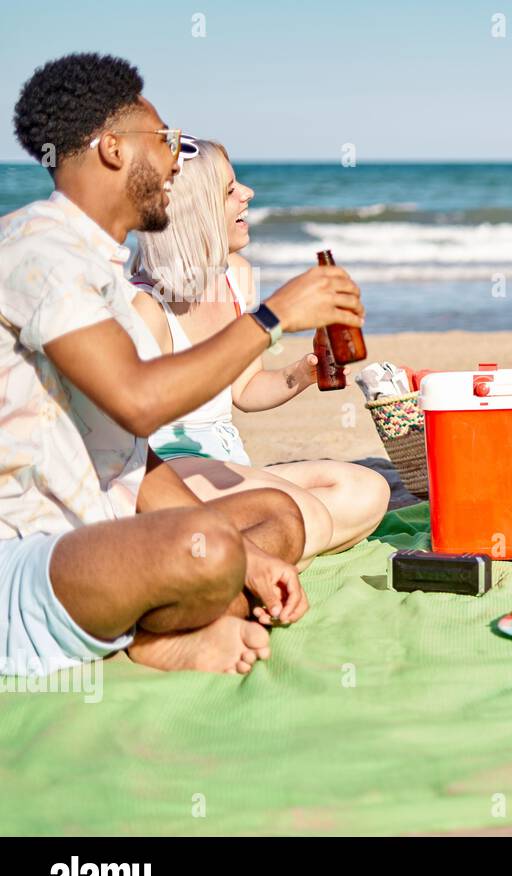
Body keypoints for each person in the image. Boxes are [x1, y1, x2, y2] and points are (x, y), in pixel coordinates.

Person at [1, 53, 364, 675]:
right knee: (212, 547)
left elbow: (135, 458)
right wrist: (272, 316)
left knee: (275, 520)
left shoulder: (101, 266)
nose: (176, 159)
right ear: (113, 149)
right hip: (34, 554)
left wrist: (254, 561)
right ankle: (153, 638)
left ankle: (191, 613)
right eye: (166, 140)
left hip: (109, 532)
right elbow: (141, 400)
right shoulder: (42, 253)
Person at [129, 139, 389, 566]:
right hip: (170, 473)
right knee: (305, 516)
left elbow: (246, 390)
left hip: (229, 464)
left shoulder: (238, 278)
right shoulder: (146, 306)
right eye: (229, 190)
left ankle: (233, 548)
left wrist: (306, 371)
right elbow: (133, 430)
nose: (247, 193)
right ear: (195, 212)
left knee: (368, 491)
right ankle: (238, 549)